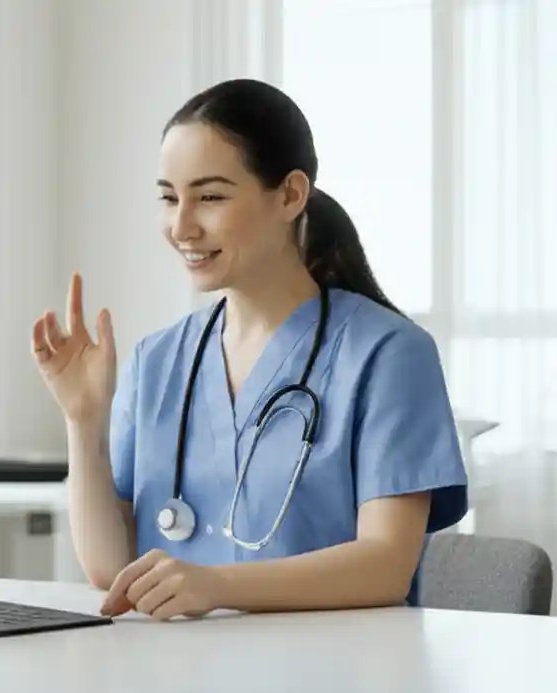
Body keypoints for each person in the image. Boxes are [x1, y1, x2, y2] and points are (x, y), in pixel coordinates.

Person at [31, 78, 467, 621]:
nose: (181, 226)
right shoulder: (157, 359)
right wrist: (83, 420)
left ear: (289, 195)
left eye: (210, 197)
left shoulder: (388, 354)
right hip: (176, 680)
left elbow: (386, 564)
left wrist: (216, 584)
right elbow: (112, 569)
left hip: (331, 680)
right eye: (169, 197)